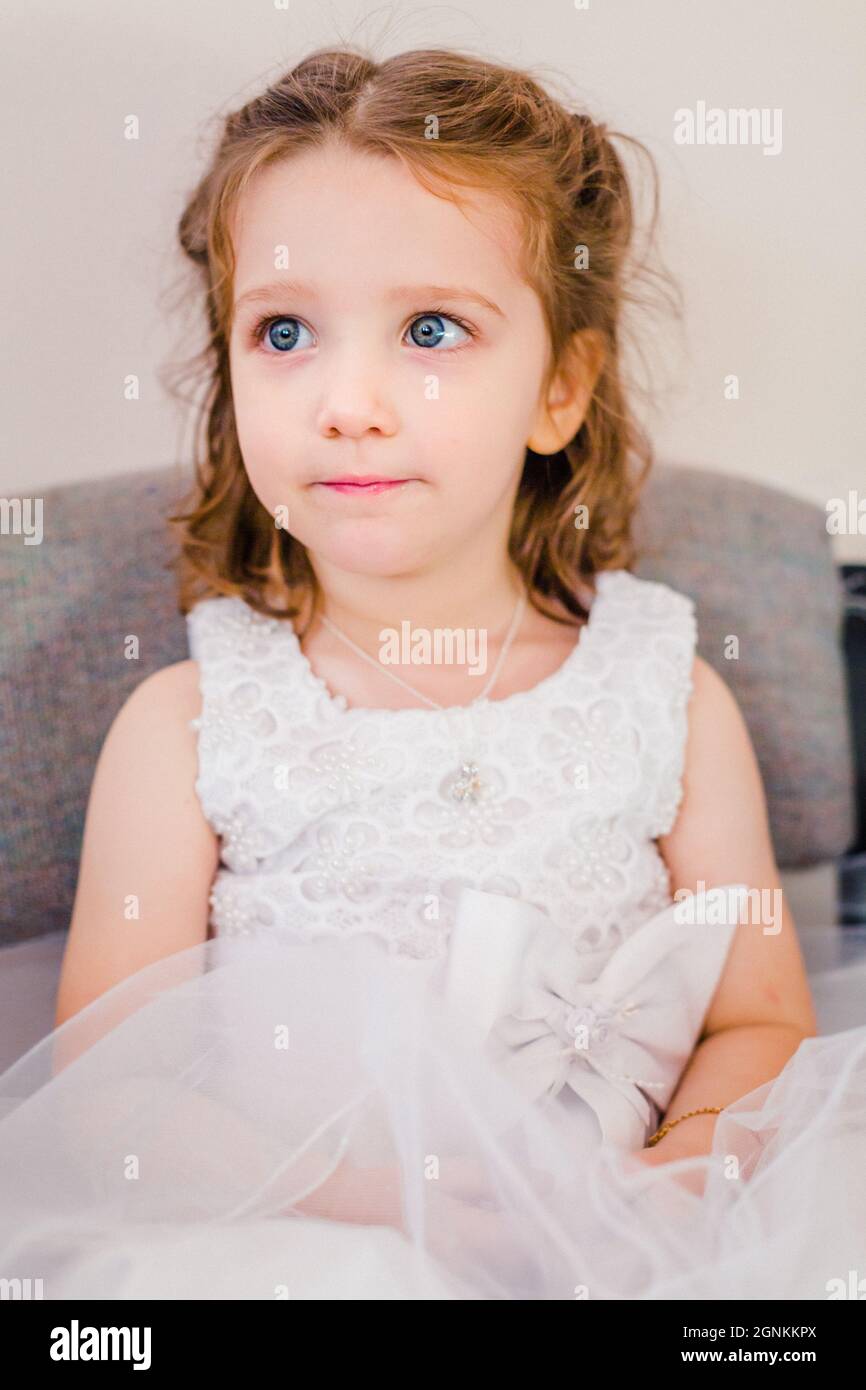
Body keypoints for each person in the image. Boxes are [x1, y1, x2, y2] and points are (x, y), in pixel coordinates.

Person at [1, 45, 864, 1301]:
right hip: (304, 1243)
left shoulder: (665, 695)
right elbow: (113, 1090)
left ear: (559, 388)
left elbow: (759, 1023)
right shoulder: (187, 722)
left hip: (622, 1245)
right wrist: (382, 1207)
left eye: (430, 328)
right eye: (284, 331)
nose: (348, 401)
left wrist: (669, 1181)